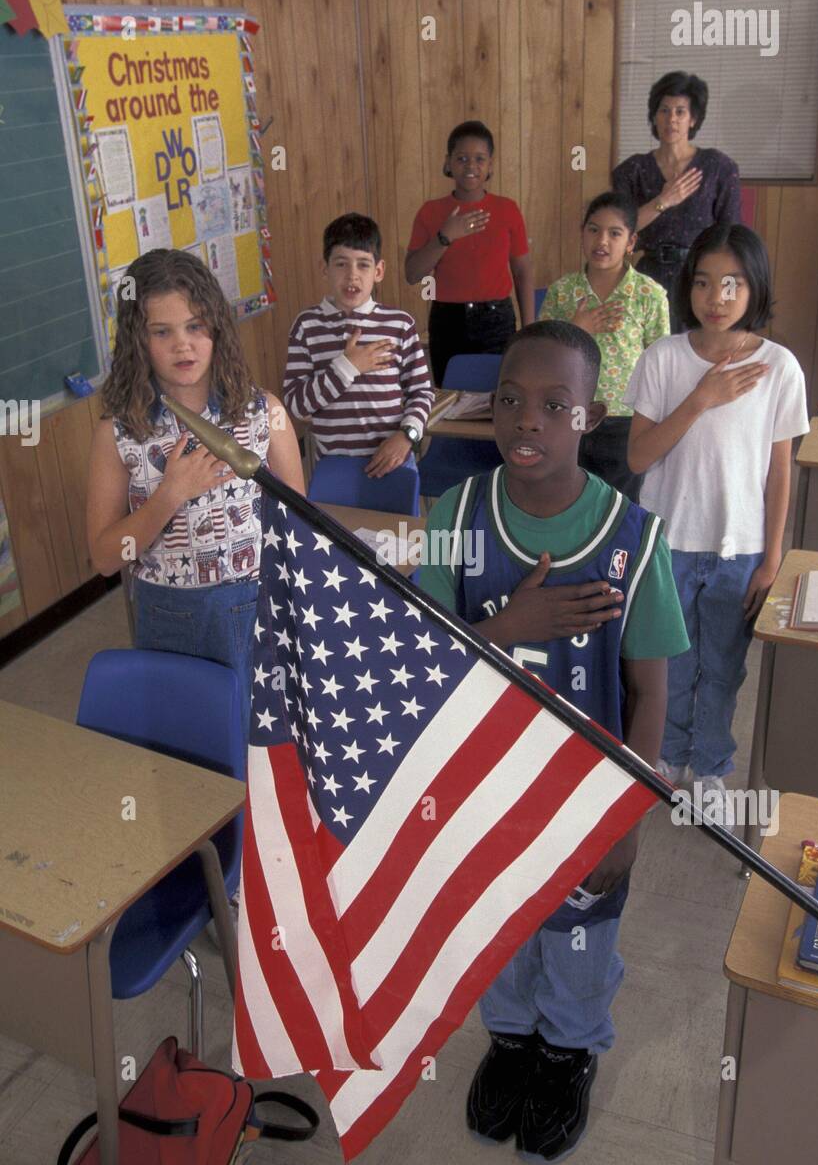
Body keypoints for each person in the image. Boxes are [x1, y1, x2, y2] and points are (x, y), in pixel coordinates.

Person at [417, 320, 689, 1163]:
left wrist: (628, 818)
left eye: (552, 404)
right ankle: (509, 1038)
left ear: (590, 416)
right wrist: (508, 626)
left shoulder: (634, 541)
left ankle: (567, 1050)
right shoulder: (455, 516)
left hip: (584, 798)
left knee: (578, 932)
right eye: (508, 400)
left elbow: (648, 692)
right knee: (497, 921)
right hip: (485, 787)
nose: (525, 420)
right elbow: (427, 669)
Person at [624, 223, 809, 828]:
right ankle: (671, 757)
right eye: (704, 282)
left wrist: (772, 557)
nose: (717, 296)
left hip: (740, 548)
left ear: (754, 287)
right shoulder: (663, 358)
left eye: (732, 282)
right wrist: (701, 397)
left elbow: (779, 470)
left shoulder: (779, 367)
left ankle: (710, 769)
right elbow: (637, 457)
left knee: (725, 668)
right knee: (671, 663)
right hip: (668, 544)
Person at [87, 248, 304, 742]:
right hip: (171, 617)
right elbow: (104, 557)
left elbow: (298, 525)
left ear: (217, 329)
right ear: (138, 342)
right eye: (161, 332)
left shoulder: (262, 412)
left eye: (195, 326)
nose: (182, 345)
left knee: (268, 754)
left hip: (260, 608)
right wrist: (170, 495)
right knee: (192, 759)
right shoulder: (119, 432)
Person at [539, 190, 670, 500]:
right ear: (582, 234)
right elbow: (539, 358)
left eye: (615, 233)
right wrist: (575, 330)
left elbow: (662, 366)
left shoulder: (648, 294)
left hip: (626, 421)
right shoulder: (563, 291)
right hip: (569, 416)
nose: (602, 242)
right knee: (569, 502)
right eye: (593, 230)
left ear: (631, 242)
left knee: (619, 507)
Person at [283, 213, 434, 477]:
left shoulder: (399, 325)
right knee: (337, 521)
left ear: (379, 271)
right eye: (341, 264)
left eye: (363, 265)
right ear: (324, 268)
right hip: (332, 469)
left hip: (392, 462)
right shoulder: (307, 326)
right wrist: (347, 366)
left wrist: (407, 436)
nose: (352, 276)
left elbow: (421, 392)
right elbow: (296, 404)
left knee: (394, 521)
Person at [405, 121, 534, 386]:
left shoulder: (507, 209)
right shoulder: (430, 212)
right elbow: (412, 273)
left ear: (490, 165)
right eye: (461, 158)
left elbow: (522, 271)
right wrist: (445, 237)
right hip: (447, 319)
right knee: (449, 397)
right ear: (448, 163)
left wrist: (530, 330)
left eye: (479, 159)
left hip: (497, 318)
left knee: (498, 395)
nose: (471, 166)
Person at [612, 71, 741, 330]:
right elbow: (618, 230)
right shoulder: (632, 170)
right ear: (654, 116)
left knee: (696, 352)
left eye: (680, 111)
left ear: (693, 119)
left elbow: (732, 233)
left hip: (701, 275)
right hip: (649, 273)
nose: (671, 119)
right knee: (648, 351)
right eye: (664, 110)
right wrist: (663, 200)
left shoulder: (718, 167)